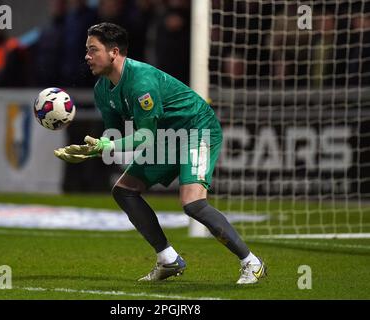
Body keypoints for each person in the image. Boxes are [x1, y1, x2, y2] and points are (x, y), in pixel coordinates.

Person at [54, 22, 266, 284]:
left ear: (114, 52)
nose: (86, 56)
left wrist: (106, 147)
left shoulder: (141, 81)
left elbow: (145, 136)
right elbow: (114, 135)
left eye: (92, 50)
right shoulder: (102, 90)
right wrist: (91, 150)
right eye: (86, 50)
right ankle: (168, 259)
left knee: (193, 204)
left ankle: (252, 263)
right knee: (124, 191)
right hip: (166, 137)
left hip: (196, 129)